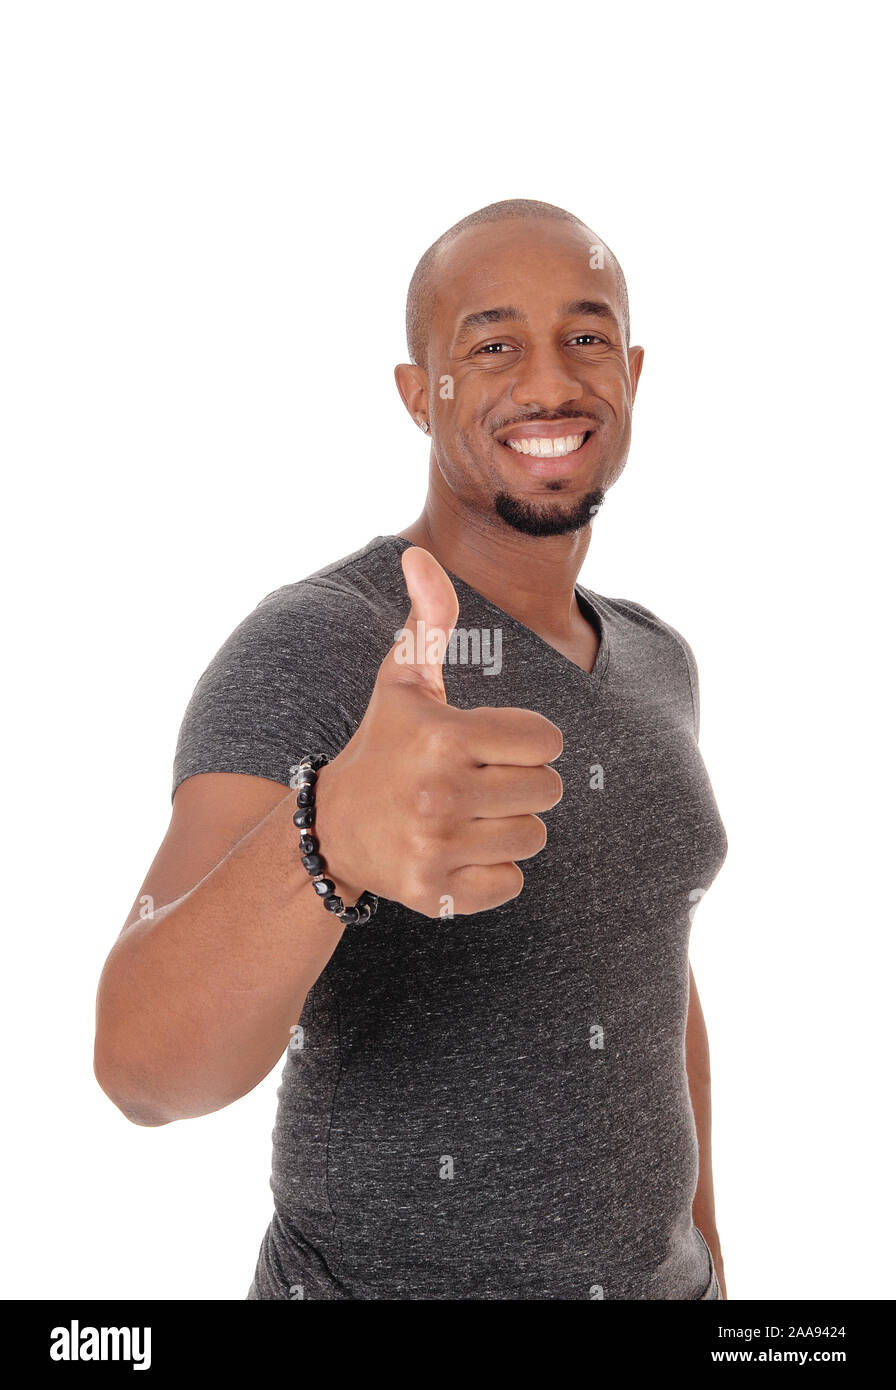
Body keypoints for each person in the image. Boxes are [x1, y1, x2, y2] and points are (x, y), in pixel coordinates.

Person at [94, 199, 729, 1301]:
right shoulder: (325, 643)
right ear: (414, 392)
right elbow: (141, 1066)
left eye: (584, 338)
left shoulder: (655, 658)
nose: (546, 382)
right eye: (491, 345)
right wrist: (328, 833)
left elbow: (652, 977)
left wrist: (714, 1266)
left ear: (629, 372)